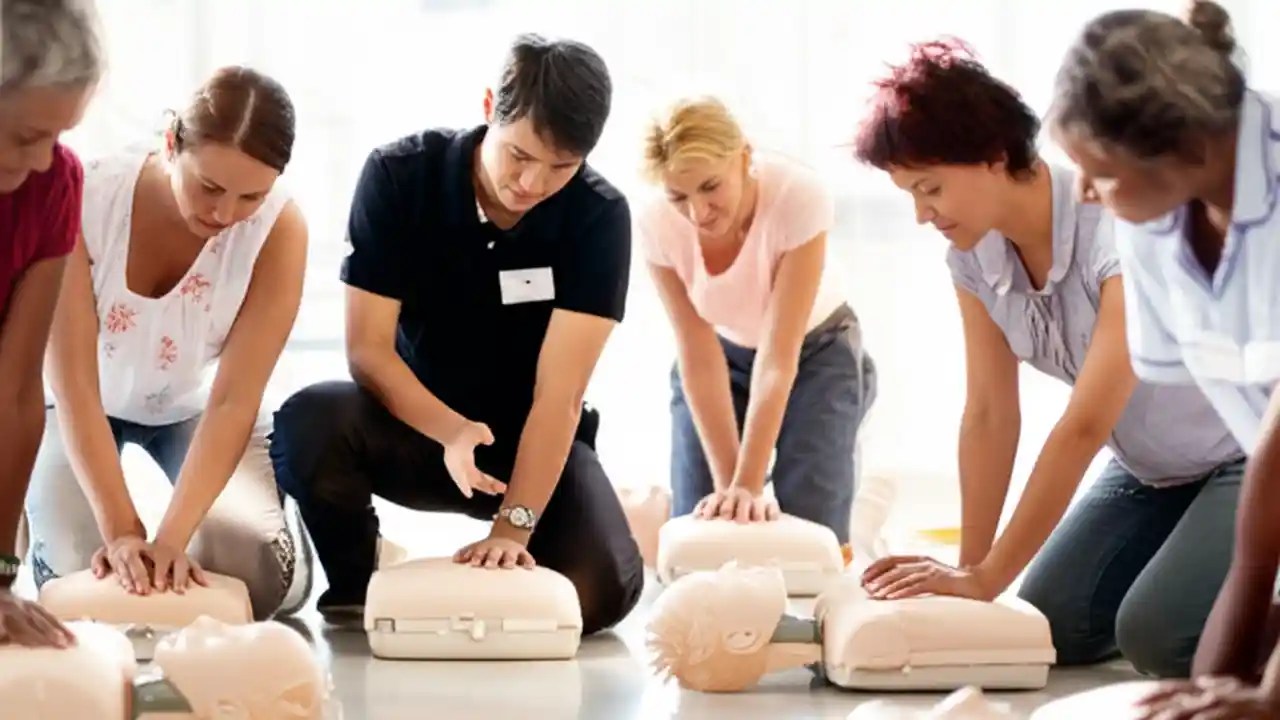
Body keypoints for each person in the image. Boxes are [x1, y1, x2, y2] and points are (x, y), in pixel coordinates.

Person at [852, 38, 1247, 679]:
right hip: (1154, 471)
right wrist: (970, 568)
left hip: (1248, 454)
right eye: (910, 196)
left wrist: (987, 579)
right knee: (1051, 622)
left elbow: (1084, 424)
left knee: (1157, 636)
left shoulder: (1121, 231)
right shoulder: (973, 259)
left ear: (993, 156)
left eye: (930, 189)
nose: (923, 215)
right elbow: (988, 412)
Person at [269, 33, 643, 634]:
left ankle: (515, 568)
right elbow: (367, 350)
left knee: (599, 593)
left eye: (560, 168)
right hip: (413, 425)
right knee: (308, 424)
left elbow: (561, 395)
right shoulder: (399, 176)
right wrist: (452, 430)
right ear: (490, 104)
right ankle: (359, 580)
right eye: (519, 155)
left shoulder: (600, 216)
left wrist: (512, 529)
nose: (532, 184)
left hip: (532, 442)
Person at [1048, 0, 1280, 701]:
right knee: (1207, 676)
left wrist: (1265, 689)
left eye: (1104, 173)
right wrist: (1224, 676)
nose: (1085, 194)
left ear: (1189, 146)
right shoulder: (1149, 220)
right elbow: (1259, 428)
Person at [26, 66, 312, 621]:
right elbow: (75, 383)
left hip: (196, 407)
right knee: (82, 567)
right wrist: (123, 532)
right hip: (83, 402)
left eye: (251, 195)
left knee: (246, 566)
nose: (224, 215)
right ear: (170, 143)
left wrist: (172, 539)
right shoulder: (86, 198)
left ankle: (287, 548)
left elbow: (234, 398)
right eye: (209, 187)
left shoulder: (280, 229)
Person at [638, 96, 875, 541]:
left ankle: (865, 513)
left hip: (816, 351)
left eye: (710, 187)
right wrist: (732, 491)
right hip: (719, 358)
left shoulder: (797, 196)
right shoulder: (655, 223)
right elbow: (696, 349)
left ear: (744, 157)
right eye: (678, 197)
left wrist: (749, 484)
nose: (697, 213)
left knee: (811, 529)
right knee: (705, 524)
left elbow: (778, 355)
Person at [0, 0, 103, 648]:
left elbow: (12, 396)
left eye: (57, 137)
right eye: (24, 137)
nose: (41, 161)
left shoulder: (53, 183)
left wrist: (0, 575)